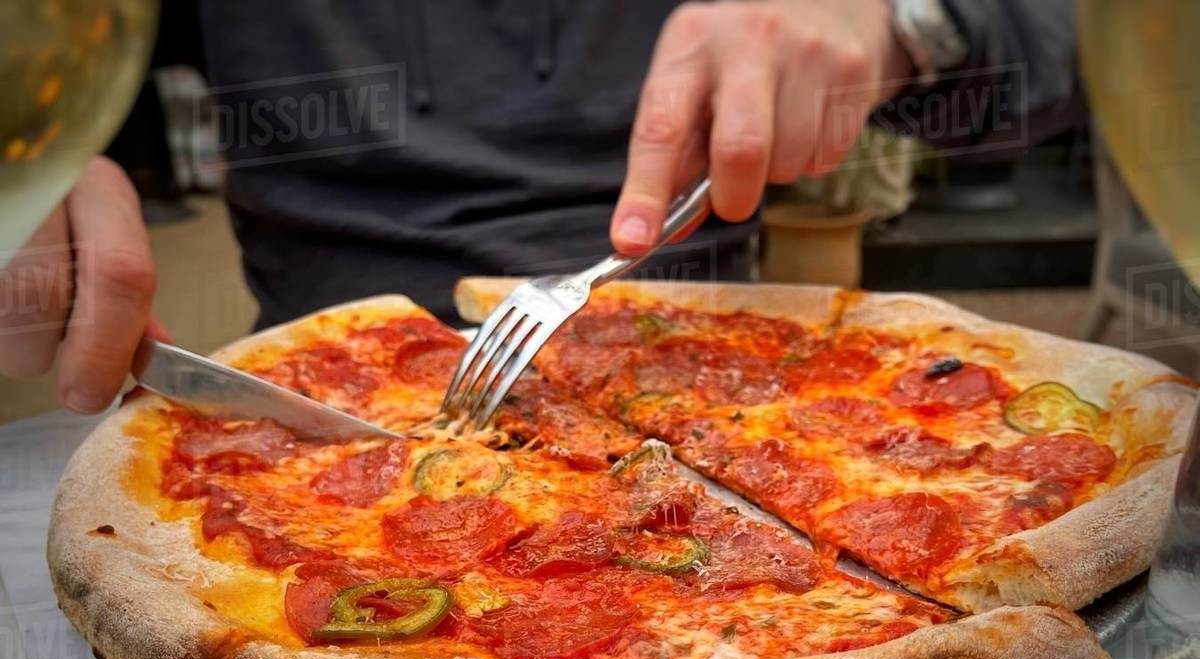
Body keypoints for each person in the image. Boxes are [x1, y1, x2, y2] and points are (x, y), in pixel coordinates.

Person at [0, 0, 1080, 415]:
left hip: (733, 379)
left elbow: (1075, 49)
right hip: (313, 403)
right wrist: (35, 149)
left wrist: (911, 21)